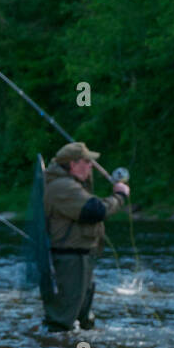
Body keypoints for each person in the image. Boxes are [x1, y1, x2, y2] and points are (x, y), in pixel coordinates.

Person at [40, 141, 130, 331]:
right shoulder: (62, 187)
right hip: (70, 261)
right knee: (62, 321)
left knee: (82, 320)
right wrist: (120, 197)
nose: (91, 166)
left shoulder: (69, 184)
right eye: (87, 162)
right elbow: (94, 210)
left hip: (79, 258)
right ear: (73, 164)